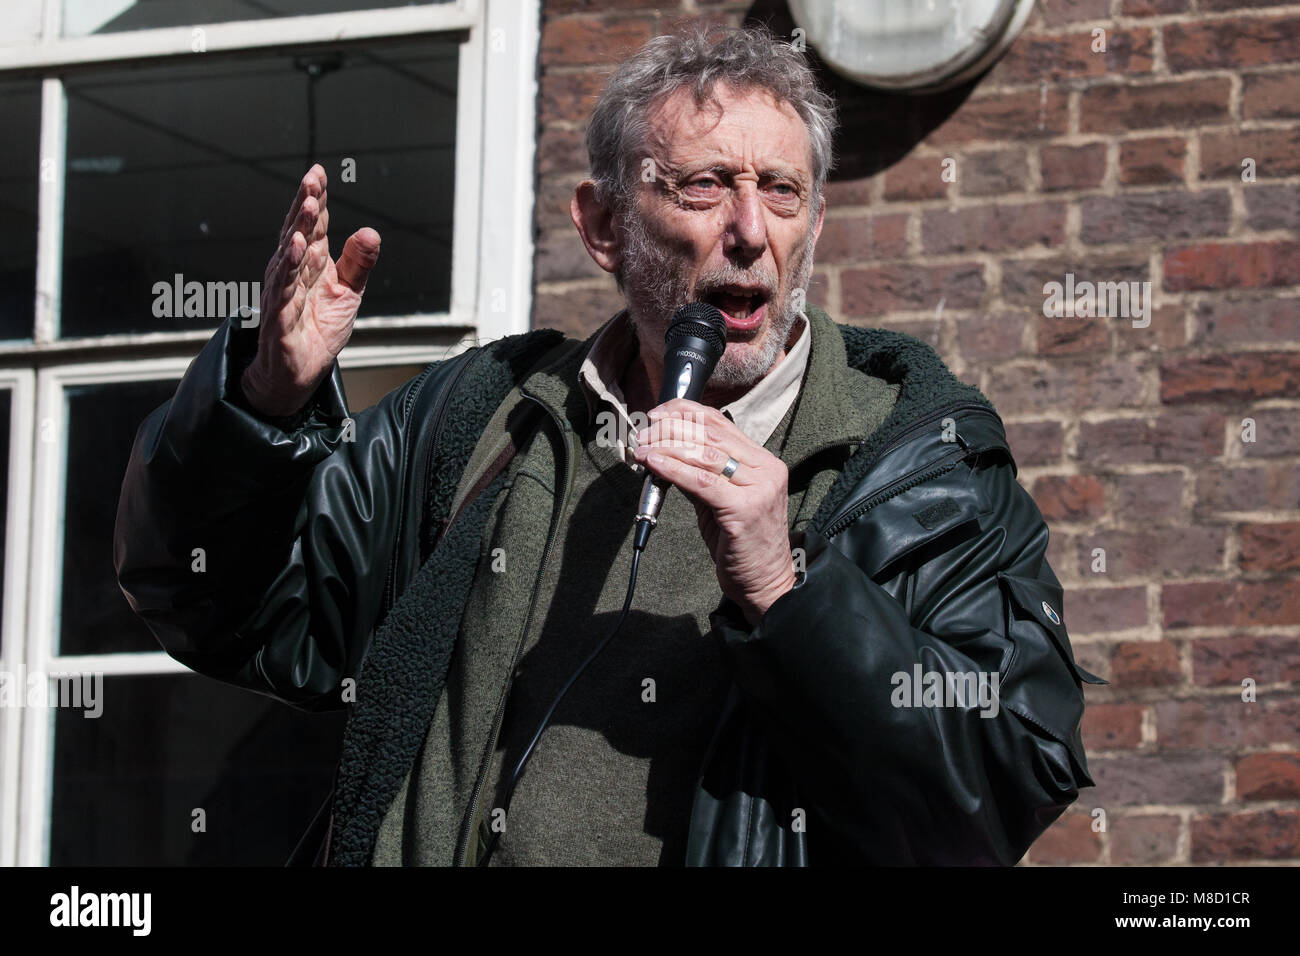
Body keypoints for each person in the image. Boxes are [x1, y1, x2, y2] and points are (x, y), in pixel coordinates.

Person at [114, 26, 1098, 867]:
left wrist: (786, 597)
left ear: (816, 222)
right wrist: (260, 404)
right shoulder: (485, 411)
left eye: (782, 192)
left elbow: (989, 796)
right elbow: (226, 608)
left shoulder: (919, 459)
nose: (750, 230)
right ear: (603, 227)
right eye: (706, 185)